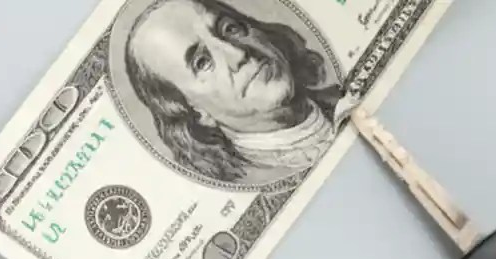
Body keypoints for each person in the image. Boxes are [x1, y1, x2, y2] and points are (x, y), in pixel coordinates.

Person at [124, 0, 343, 184]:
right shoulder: (248, 182)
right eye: (203, 62)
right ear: (195, 111)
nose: (238, 54)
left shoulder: (344, 97)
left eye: (229, 29)